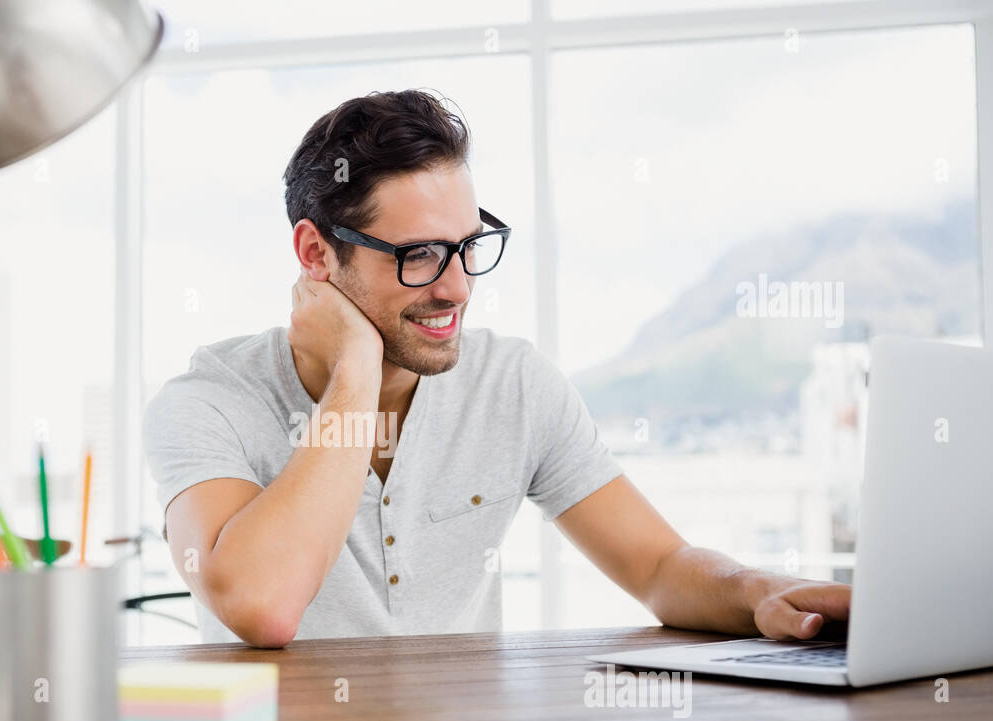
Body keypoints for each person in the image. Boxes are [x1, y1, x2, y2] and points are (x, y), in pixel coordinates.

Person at [144, 89, 851, 647]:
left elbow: (659, 569)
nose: (455, 287)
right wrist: (355, 370)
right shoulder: (208, 403)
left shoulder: (514, 385)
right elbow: (262, 608)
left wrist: (757, 589)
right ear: (316, 254)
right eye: (418, 254)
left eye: (468, 246)